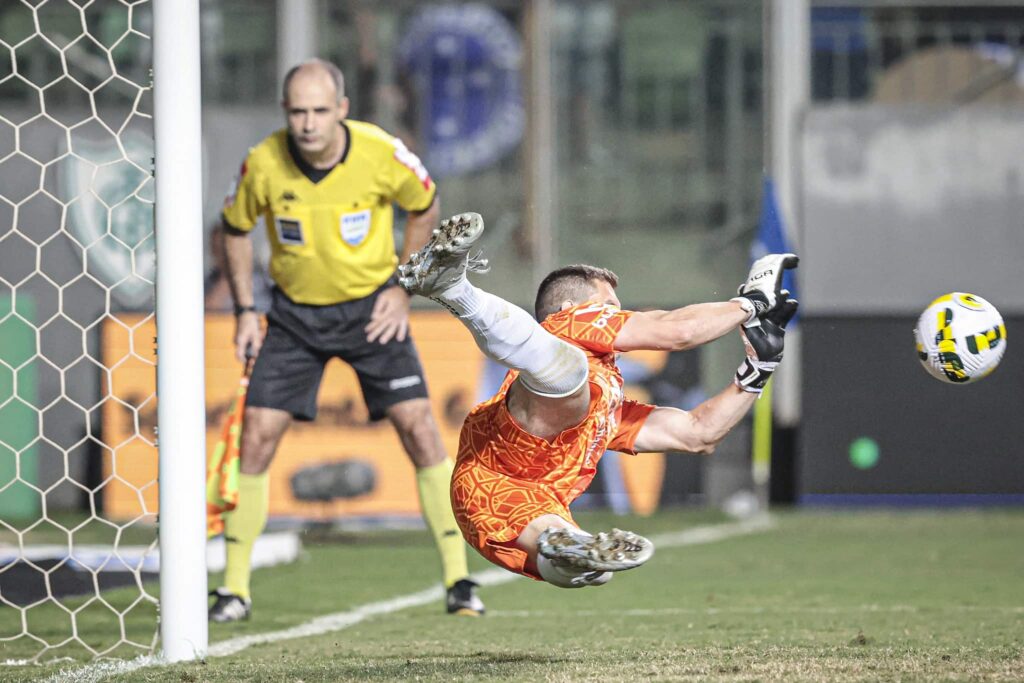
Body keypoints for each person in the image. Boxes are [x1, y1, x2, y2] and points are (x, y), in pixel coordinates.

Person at [210, 59, 484, 622]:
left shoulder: (382, 152)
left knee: (419, 428)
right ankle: (234, 590)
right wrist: (244, 310)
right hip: (293, 316)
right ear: (285, 112)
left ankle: (460, 580)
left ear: (342, 109)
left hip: (371, 312)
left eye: (319, 110)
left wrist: (402, 289)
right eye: (297, 112)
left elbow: (426, 206)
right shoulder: (263, 162)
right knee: (256, 437)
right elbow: (233, 231)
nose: (308, 124)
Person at [399, 212, 797, 588]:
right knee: (571, 374)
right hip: (499, 463)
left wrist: (758, 368)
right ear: (571, 308)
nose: (617, 317)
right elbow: (677, 332)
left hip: (519, 511)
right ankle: (455, 288)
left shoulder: (606, 404)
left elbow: (698, 434)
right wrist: (750, 304)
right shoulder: (570, 322)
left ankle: (564, 544)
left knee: (593, 569)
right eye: (610, 309)